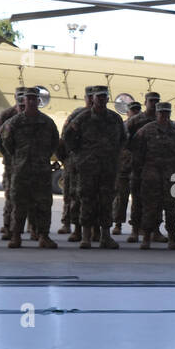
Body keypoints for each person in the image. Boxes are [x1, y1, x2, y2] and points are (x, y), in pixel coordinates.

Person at [62, 86, 125, 248]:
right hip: (87, 168)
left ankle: (105, 236)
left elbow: (123, 140)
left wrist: (114, 155)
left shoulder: (114, 118)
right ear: (93, 98)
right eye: (98, 97)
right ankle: (86, 237)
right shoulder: (82, 118)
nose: (101, 99)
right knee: (86, 200)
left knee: (106, 201)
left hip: (108, 168)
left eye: (104, 97)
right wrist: (78, 155)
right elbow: (67, 137)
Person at [1, 87, 60, 248]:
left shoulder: (47, 122)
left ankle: (43, 236)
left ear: (39, 101)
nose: (32, 101)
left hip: (41, 171)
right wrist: (19, 158)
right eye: (29, 99)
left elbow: (55, 142)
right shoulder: (14, 122)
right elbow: (7, 143)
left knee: (43, 204)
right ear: (24, 101)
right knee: (18, 204)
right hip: (21, 171)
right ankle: (16, 236)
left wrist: (42, 157)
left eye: (35, 99)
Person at [130, 102, 175, 249]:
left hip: (174, 177)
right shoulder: (146, 130)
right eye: (161, 112)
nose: (163, 115)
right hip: (151, 175)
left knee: (173, 209)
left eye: (166, 113)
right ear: (156, 113)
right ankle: (147, 237)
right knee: (150, 207)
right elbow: (136, 151)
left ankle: (172, 238)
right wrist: (141, 170)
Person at [125, 92, 163, 242]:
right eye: (151, 101)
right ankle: (135, 230)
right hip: (139, 166)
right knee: (138, 199)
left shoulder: (162, 120)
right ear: (145, 102)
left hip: (158, 167)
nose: (154, 103)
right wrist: (132, 155)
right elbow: (123, 138)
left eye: (156, 101)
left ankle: (156, 230)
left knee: (157, 201)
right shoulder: (135, 121)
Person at [59, 86, 95, 238]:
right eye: (90, 97)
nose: (92, 100)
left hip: (96, 163)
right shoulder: (78, 114)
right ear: (86, 98)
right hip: (75, 162)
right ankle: (69, 224)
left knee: (93, 197)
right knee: (71, 194)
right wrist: (68, 159)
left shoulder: (104, 116)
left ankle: (93, 228)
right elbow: (64, 137)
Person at [0, 87, 27, 240]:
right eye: (19, 96)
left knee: (31, 197)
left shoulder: (34, 117)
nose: (21, 100)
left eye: (24, 97)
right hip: (11, 164)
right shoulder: (7, 115)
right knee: (11, 196)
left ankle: (33, 228)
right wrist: (9, 154)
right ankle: (8, 226)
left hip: (30, 164)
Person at [113, 100, 141, 233]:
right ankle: (118, 224)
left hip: (139, 167)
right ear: (127, 112)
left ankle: (138, 226)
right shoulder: (122, 126)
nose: (135, 113)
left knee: (139, 198)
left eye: (137, 110)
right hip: (124, 167)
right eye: (132, 110)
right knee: (121, 197)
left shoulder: (144, 127)